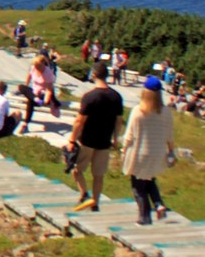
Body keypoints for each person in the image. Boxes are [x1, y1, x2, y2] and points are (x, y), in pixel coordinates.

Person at [121, 75, 176, 226]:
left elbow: (129, 136)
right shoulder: (165, 112)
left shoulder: (138, 111)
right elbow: (170, 135)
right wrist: (171, 151)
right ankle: (158, 204)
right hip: (157, 152)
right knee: (150, 179)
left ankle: (144, 217)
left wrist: (123, 151)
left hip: (139, 152)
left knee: (138, 186)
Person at [70, 61, 124, 213]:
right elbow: (118, 121)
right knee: (98, 175)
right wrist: (115, 138)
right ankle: (96, 202)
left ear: (93, 75)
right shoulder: (116, 97)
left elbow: (80, 121)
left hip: (87, 140)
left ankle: (84, 193)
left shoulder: (89, 97)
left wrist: (72, 140)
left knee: (78, 170)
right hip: (104, 140)